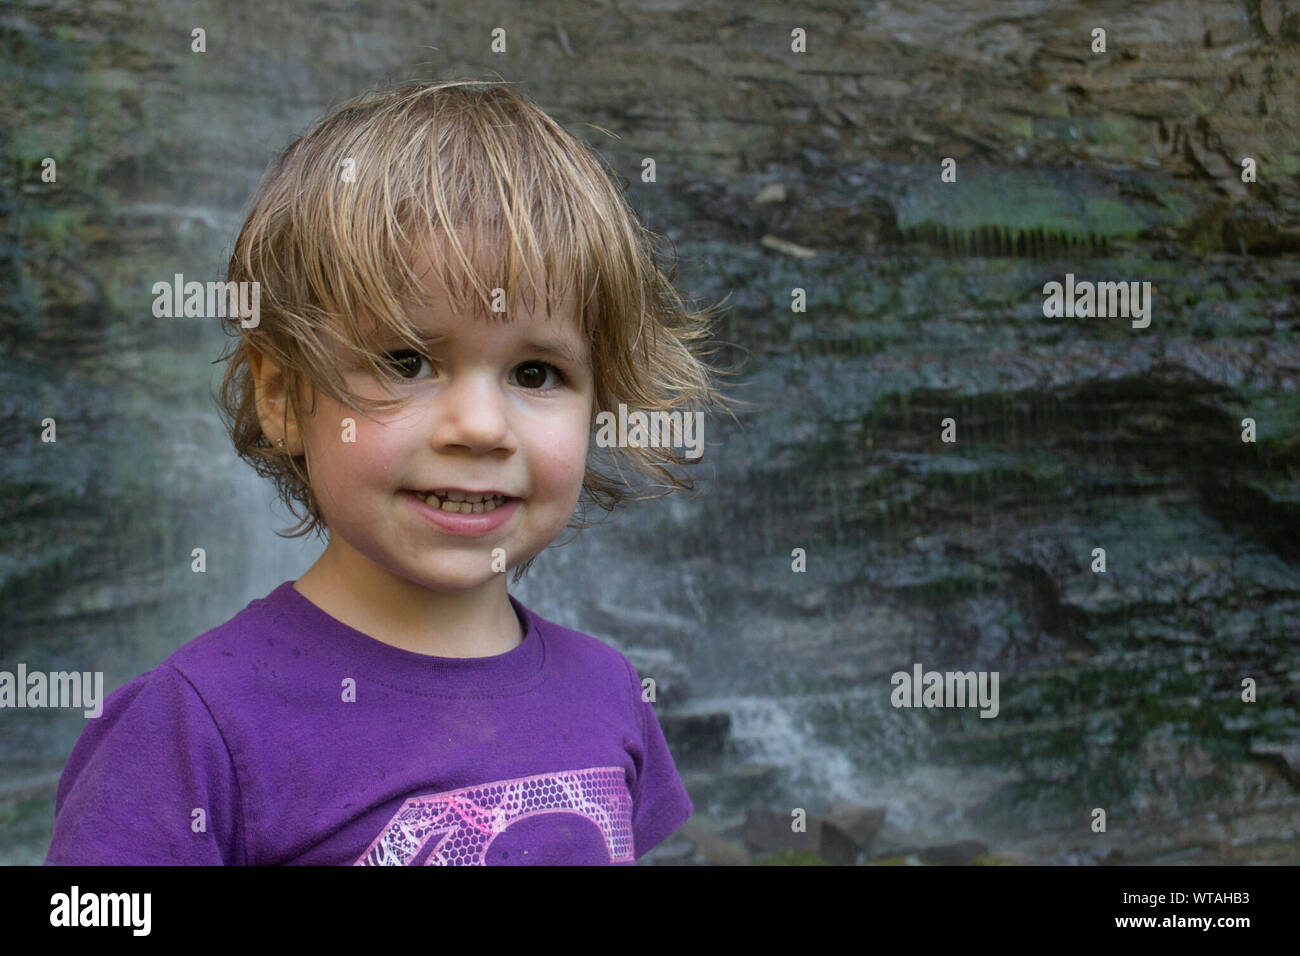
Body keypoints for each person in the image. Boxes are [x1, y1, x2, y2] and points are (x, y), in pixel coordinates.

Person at [44, 79, 732, 865]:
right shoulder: (188, 729)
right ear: (282, 398)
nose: (479, 426)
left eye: (537, 374)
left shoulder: (609, 692)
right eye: (406, 360)